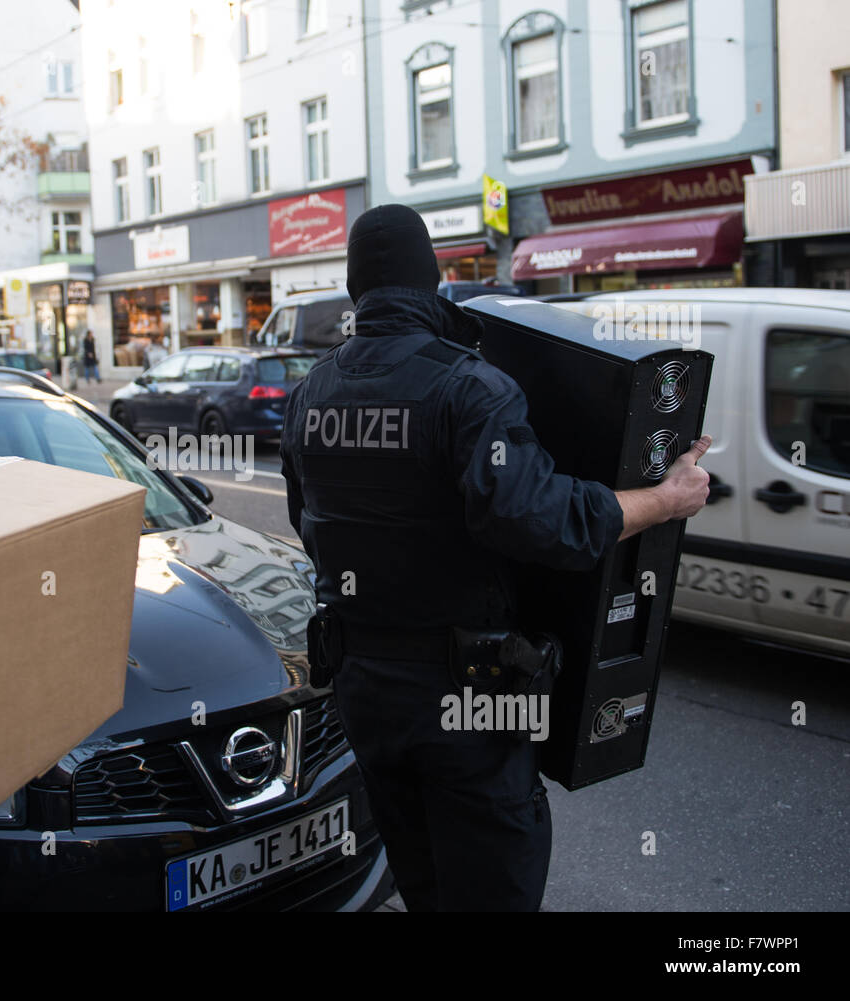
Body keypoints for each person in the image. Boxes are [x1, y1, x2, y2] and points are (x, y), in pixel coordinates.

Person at [279, 204, 711, 911]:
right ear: (434, 281)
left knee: (424, 884)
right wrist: (664, 501)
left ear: (357, 289)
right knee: (491, 883)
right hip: (464, 702)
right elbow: (547, 524)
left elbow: (310, 525)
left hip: (363, 692)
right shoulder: (468, 388)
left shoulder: (309, 397)